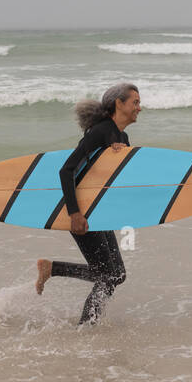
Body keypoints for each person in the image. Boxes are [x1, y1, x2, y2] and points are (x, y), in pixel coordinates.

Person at [34, 83, 141, 325]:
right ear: (119, 104)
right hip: (81, 212)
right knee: (110, 274)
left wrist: (116, 155)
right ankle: (86, 327)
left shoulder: (122, 137)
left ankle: (52, 269)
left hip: (98, 212)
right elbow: (67, 170)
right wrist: (74, 213)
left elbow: (111, 178)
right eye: (135, 102)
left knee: (117, 274)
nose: (139, 108)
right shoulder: (100, 131)